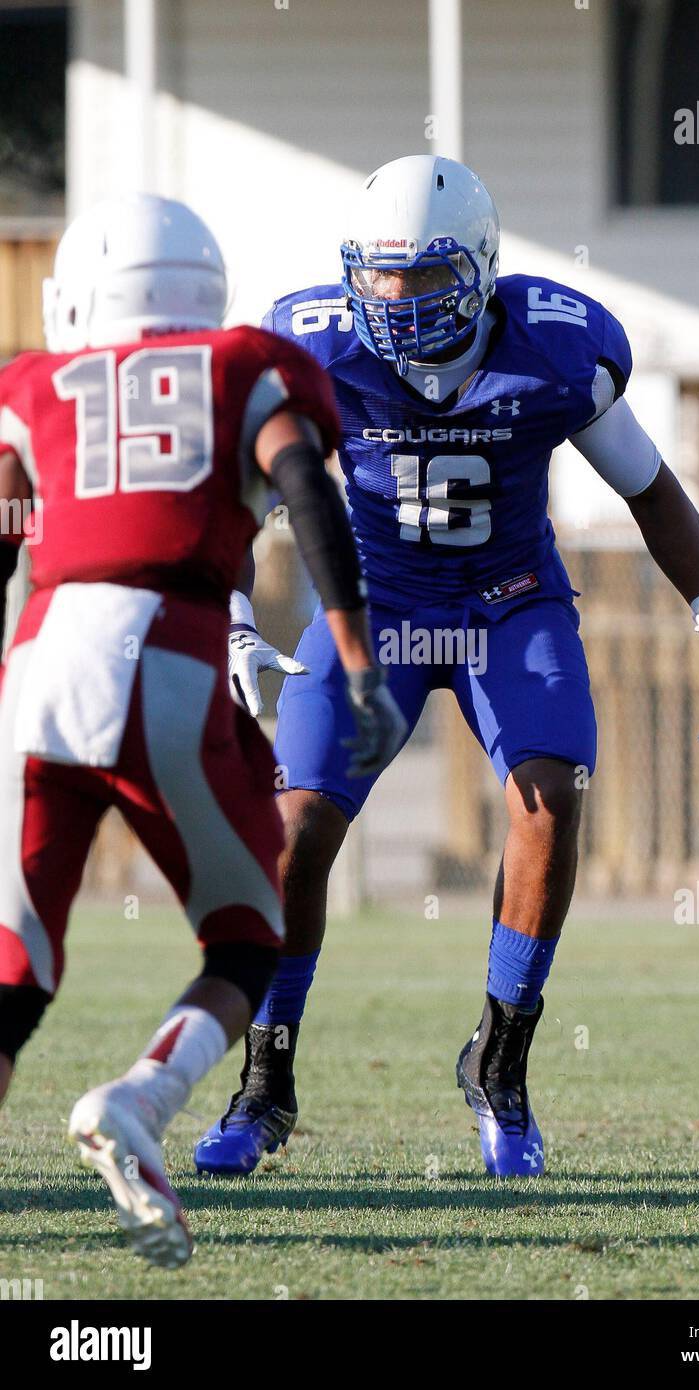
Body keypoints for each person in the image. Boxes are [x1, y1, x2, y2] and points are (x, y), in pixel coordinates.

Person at [196, 155, 699, 1181]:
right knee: (296, 827)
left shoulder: (554, 349)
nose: (393, 304)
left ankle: (500, 1064)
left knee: (548, 797)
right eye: (376, 278)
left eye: (422, 279)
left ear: (478, 268)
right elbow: (241, 499)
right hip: (375, 609)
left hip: (507, 604)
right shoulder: (314, 345)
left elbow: (650, 492)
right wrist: (227, 620)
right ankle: (265, 1080)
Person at [0, 192, 404, 1266]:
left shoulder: (35, 383)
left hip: (38, 659)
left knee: (14, 963)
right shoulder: (244, 368)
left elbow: (3, 523)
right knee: (244, 935)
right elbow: (306, 493)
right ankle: (139, 1098)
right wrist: (357, 656)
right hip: (166, 648)